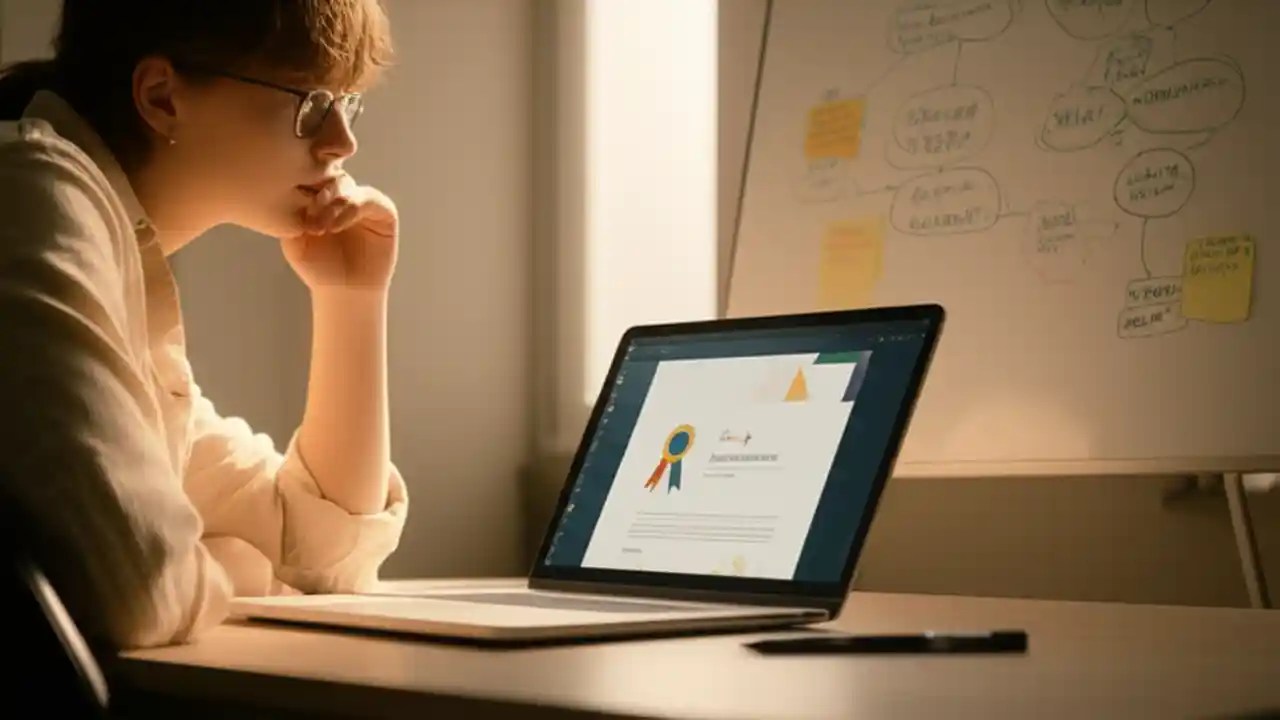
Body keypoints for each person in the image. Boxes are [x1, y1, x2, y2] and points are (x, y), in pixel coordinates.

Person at [0, 0, 409, 652]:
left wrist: (351, 297)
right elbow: (137, 590)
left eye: (347, 104)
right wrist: (238, 566)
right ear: (162, 97)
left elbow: (323, 556)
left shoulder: (118, 260)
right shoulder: (34, 193)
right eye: (310, 103)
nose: (343, 142)